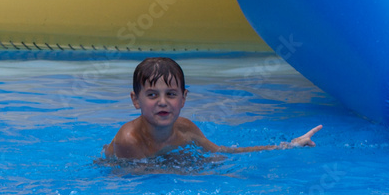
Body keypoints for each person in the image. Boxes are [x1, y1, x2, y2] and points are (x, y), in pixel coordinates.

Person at [104, 57, 322, 159]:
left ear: (183, 98)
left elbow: (223, 151)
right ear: (135, 100)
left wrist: (287, 146)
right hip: (114, 172)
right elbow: (142, 184)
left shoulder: (185, 129)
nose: (162, 102)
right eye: (152, 95)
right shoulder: (129, 140)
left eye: (171, 94)